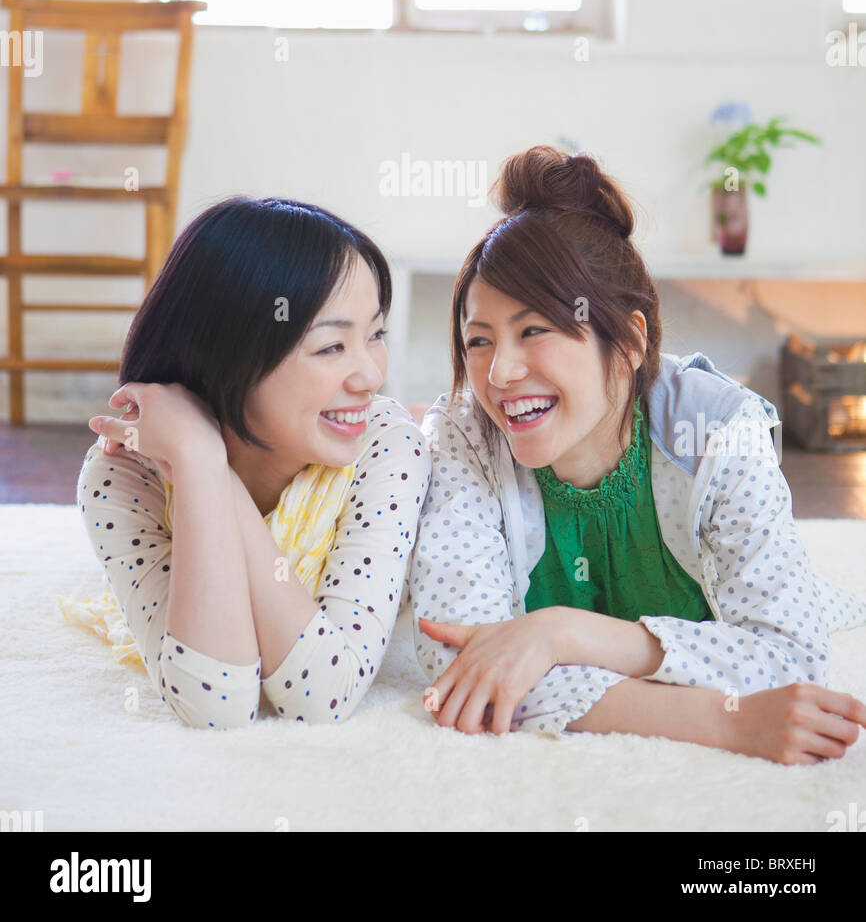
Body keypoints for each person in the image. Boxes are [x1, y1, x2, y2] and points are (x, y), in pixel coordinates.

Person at [409, 146, 866, 764]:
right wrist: (723, 723)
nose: (500, 373)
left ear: (628, 340)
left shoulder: (717, 430)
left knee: (827, 598)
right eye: (478, 341)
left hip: (755, 588)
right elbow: (466, 666)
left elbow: (788, 657)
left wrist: (558, 633)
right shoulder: (463, 437)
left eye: (534, 330)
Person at [64, 196, 430, 728]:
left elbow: (324, 697)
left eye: (375, 335)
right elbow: (217, 707)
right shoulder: (120, 478)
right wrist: (196, 459)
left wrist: (212, 469)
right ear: (228, 355)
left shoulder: (388, 447)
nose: (370, 375)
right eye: (331, 347)